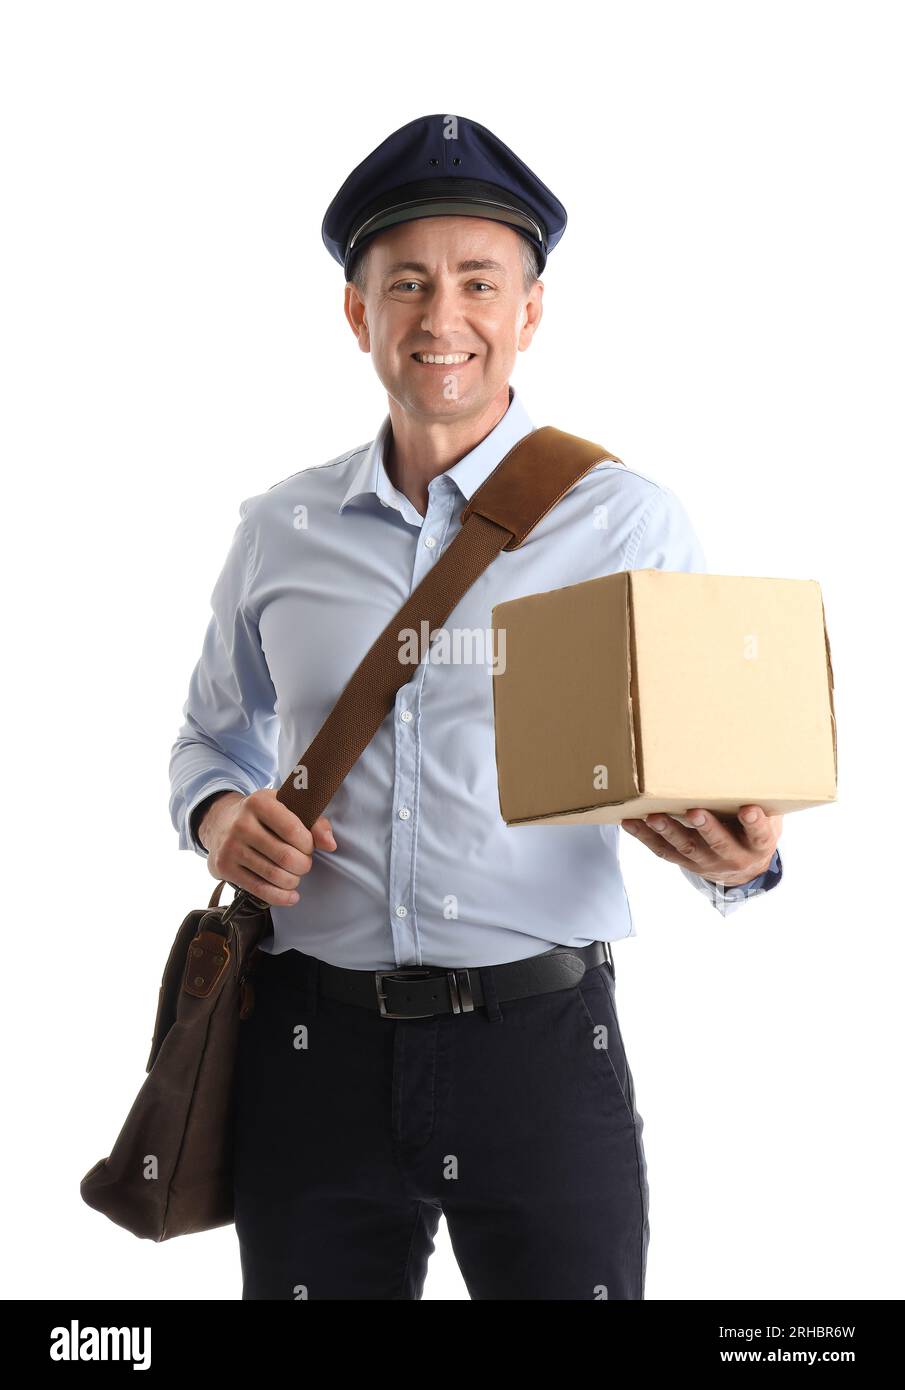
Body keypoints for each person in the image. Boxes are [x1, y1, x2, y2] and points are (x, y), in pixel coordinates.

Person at [169, 113, 783, 1301]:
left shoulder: (626, 524)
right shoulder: (277, 529)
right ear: (357, 315)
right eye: (405, 284)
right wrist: (215, 816)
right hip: (309, 1046)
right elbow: (208, 736)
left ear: (528, 311)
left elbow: (713, 774)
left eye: (475, 282)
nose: (439, 319)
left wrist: (740, 859)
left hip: (539, 1047)